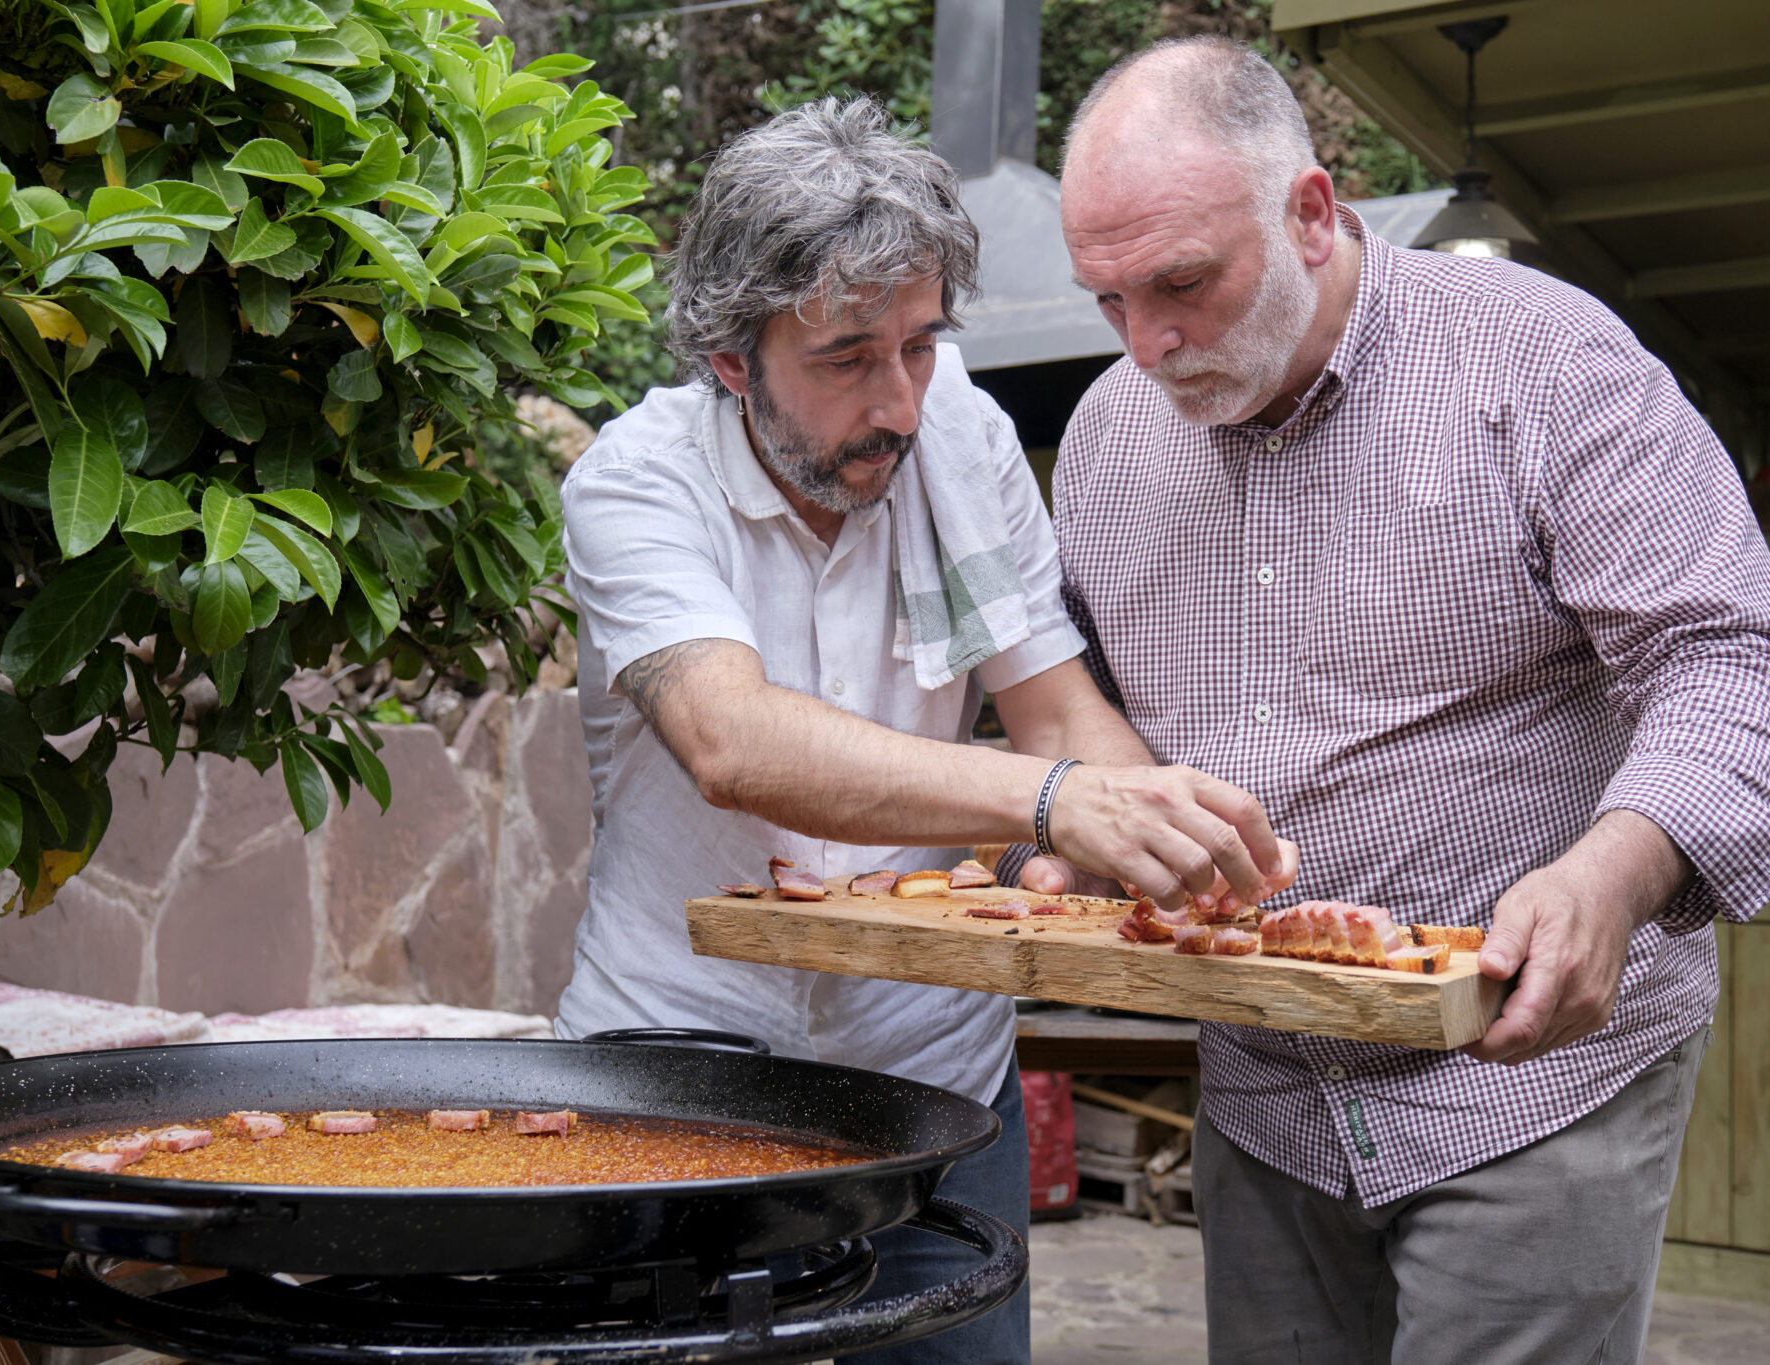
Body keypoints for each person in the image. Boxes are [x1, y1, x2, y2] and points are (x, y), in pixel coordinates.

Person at [1007, 35, 1770, 1363]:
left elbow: (1735, 659)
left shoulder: (1541, 362)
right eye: (1108, 299)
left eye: (1185, 284)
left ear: (1315, 213)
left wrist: (1613, 874)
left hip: (1528, 1079)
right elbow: (1084, 725)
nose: (1148, 343)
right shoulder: (1105, 438)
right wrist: (1064, 842)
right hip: (1265, 1090)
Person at [553, 95, 1297, 1363]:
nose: (897, 401)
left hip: (935, 1081)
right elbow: (733, 742)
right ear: (732, 359)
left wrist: (1174, 835)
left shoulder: (958, 430)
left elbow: (1056, 707)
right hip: (681, 1070)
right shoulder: (634, 483)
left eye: (920, 343)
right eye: (846, 358)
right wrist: (1053, 802)